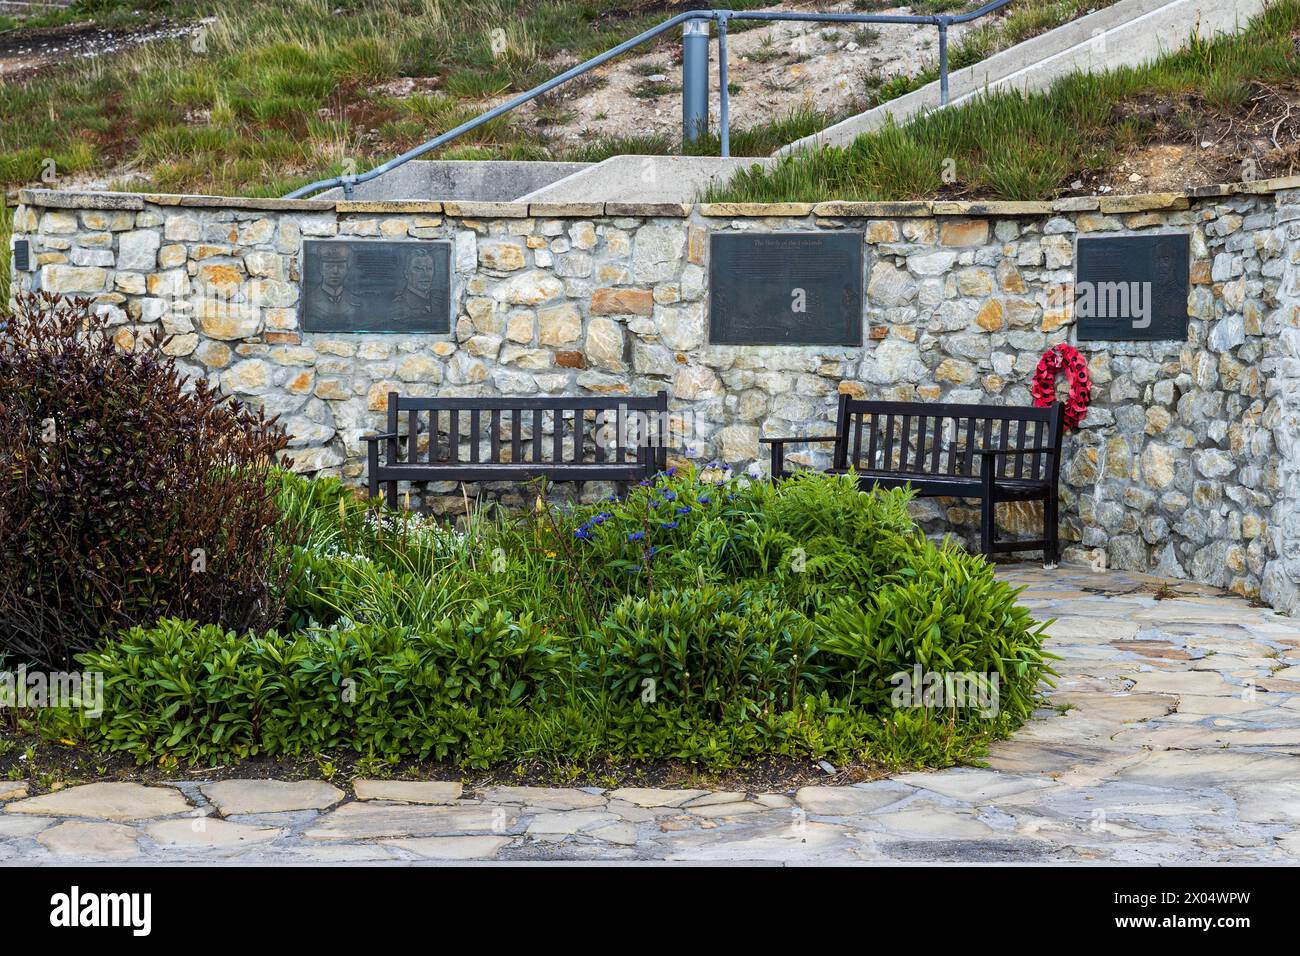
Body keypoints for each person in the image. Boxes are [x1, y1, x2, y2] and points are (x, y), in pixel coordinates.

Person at [309, 243, 364, 328]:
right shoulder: (310, 301)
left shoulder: (357, 302)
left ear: (347, 269)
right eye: (329, 266)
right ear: (321, 269)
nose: (335, 271)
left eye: (341, 266)